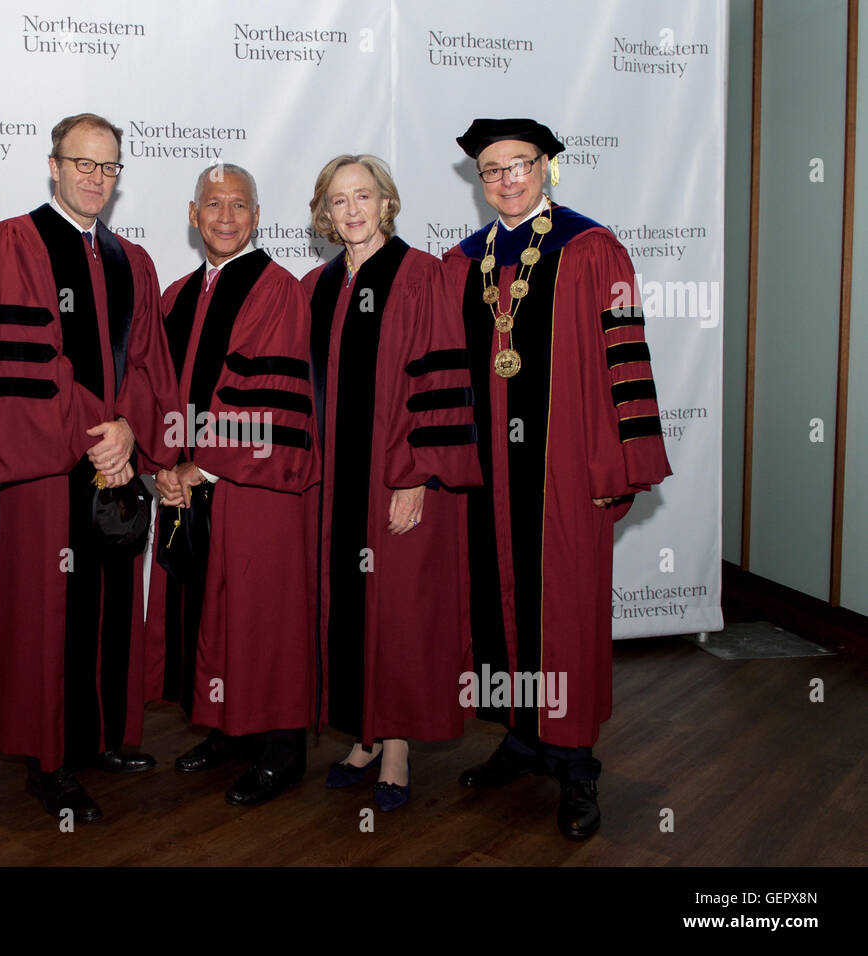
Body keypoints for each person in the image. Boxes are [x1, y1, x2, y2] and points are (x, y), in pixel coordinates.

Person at [442, 118, 671, 838]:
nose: (507, 180)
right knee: (496, 604)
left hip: (564, 470)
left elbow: (625, 357)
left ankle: (573, 760)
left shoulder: (592, 247)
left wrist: (620, 463)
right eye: (492, 170)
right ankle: (519, 736)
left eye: (521, 165)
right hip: (489, 476)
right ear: (478, 182)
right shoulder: (463, 259)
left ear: (549, 168)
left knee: (561, 612)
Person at [0, 113, 177, 823]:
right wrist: (99, 433)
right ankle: (49, 758)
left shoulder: (133, 261)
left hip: (113, 465)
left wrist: (131, 431)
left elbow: (151, 364)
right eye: (82, 163)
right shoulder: (16, 242)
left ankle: (101, 736)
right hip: (49, 466)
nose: (95, 178)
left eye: (108, 167)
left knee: (114, 596)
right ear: (53, 165)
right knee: (49, 609)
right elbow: (27, 360)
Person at [301, 155, 481, 811]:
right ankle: (365, 735)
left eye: (364, 196)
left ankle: (398, 747)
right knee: (349, 609)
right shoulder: (316, 287)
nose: (352, 210)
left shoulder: (420, 275)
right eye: (339, 199)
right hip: (335, 493)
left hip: (399, 483)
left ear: (387, 203)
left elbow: (442, 382)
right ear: (326, 211)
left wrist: (418, 477)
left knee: (402, 612)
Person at [147, 164, 319, 806]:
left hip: (255, 488)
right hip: (186, 488)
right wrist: (160, 464)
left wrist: (202, 465)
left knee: (261, 614)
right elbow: (157, 389)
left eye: (238, 205)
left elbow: (272, 399)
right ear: (193, 216)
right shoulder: (176, 295)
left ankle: (279, 750)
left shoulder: (279, 291)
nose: (225, 217)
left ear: (257, 217)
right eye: (212, 205)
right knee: (207, 612)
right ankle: (224, 726)